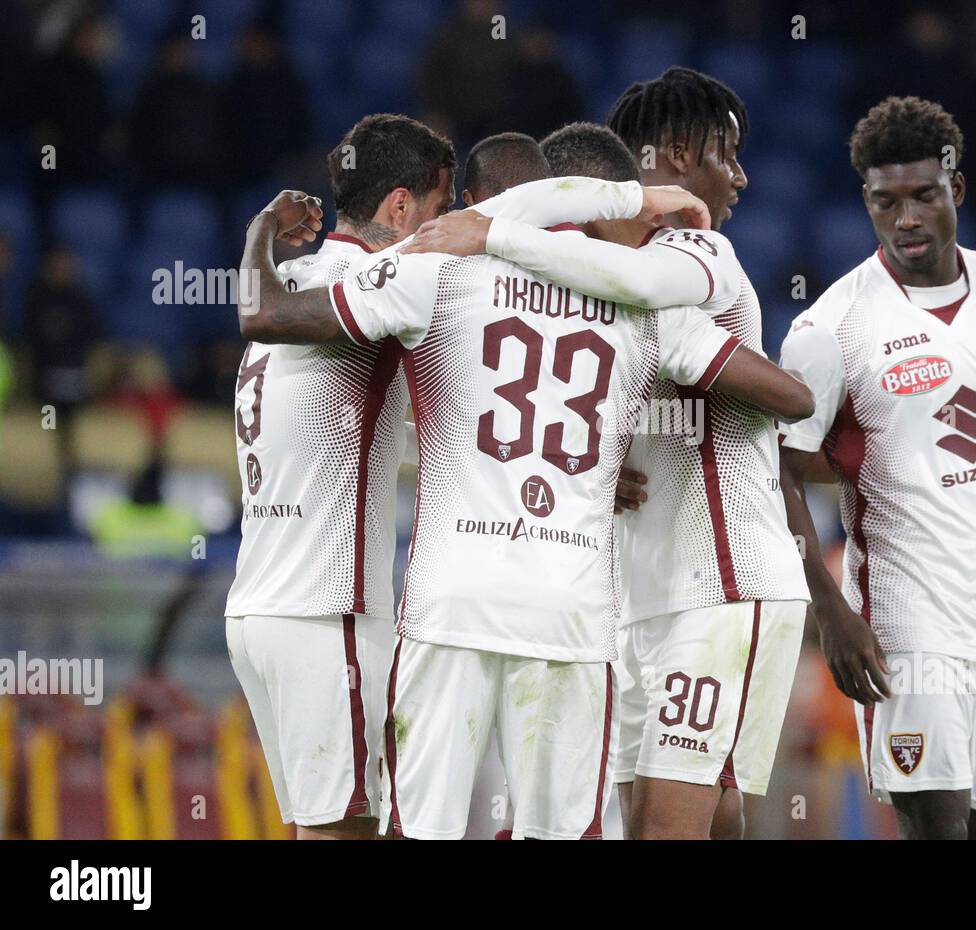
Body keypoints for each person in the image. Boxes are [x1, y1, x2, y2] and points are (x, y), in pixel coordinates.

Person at [236, 150, 813, 838]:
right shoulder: (644, 299)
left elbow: (271, 316)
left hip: (453, 601)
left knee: (419, 828)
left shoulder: (437, 268)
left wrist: (265, 230)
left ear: (479, 201)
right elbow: (791, 397)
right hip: (570, 610)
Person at [409, 71, 808, 840]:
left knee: (667, 823)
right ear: (684, 154)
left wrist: (490, 232)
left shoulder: (697, 251)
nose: (742, 176)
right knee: (671, 816)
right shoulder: (573, 285)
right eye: (731, 155)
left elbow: (645, 290)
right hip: (632, 594)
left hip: (720, 582)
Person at [778, 96, 976, 839]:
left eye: (922, 196)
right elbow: (775, 469)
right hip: (903, 628)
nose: (905, 217)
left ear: (955, 191)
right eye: (885, 201)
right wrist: (828, 607)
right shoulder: (831, 326)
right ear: (867, 203)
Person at [224, 112, 456, 840]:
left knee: (318, 828)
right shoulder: (378, 282)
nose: (445, 228)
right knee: (349, 832)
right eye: (441, 208)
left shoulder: (292, 281)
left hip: (259, 609)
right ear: (398, 206)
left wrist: (262, 226)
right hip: (329, 613)